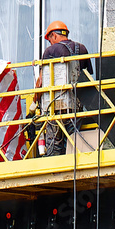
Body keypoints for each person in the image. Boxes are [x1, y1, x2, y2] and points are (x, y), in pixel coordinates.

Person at [34, 21, 93, 156]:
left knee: (54, 144)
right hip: (76, 107)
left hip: (54, 106)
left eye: (50, 40)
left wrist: (34, 100)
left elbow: (41, 81)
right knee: (73, 142)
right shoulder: (82, 48)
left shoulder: (51, 51)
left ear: (54, 35)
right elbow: (88, 78)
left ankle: (54, 171)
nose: (50, 43)